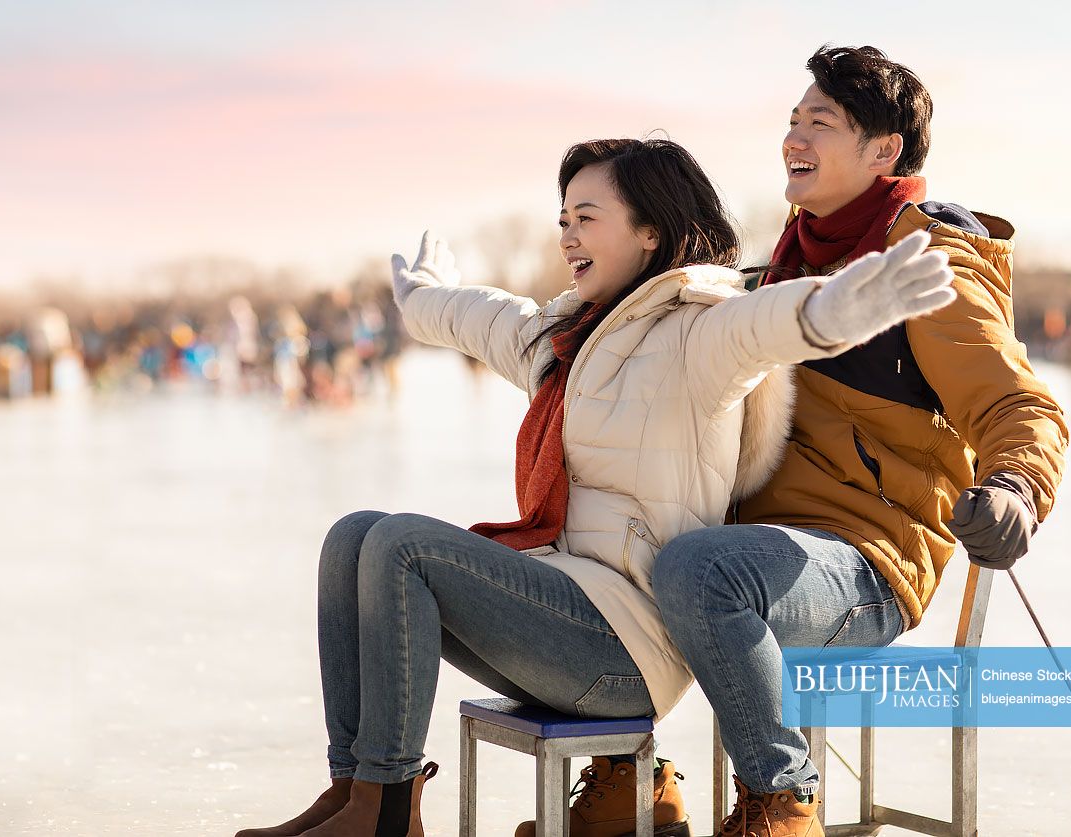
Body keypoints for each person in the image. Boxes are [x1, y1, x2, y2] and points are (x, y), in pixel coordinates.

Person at [232, 137, 955, 837]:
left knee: (401, 546)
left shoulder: (698, 329)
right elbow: (477, 318)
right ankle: (354, 788)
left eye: (586, 218)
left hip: (626, 647)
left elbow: (764, 327)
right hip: (566, 605)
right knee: (353, 536)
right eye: (563, 220)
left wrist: (834, 310)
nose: (567, 237)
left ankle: (388, 810)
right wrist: (421, 297)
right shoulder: (566, 338)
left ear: (649, 232)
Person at [644, 45, 1071, 837]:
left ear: (883, 151)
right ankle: (632, 777)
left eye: (821, 123)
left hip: (866, 557)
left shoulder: (926, 262)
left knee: (700, 570)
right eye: (792, 120)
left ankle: (783, 798)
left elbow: (1019, 404)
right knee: (611, 540)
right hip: (767, 543)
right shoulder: (790, 258)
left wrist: (1016, 485)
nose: (794, 138)